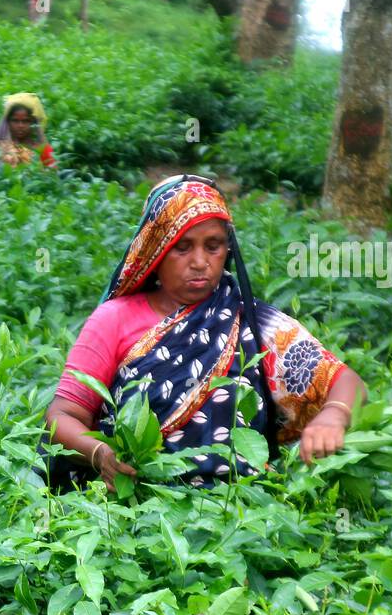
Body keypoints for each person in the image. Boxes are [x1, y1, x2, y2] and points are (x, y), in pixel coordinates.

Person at [38, 174, 367, 491]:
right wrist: (98, 453)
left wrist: (334, 416)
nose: (200, 261)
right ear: (156, 250)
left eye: (213, 246)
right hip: (133, 502)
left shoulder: (251, 320)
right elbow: (62, 416)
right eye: (182, 247)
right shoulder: (114, 319)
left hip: (241, 507)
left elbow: (346, 381)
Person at [0, 93, 58, 170]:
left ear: (33, 123)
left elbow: (53, 175)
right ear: (8, 122)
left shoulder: (42, 149)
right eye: (15, 120)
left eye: (26, 121)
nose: (20, 126)